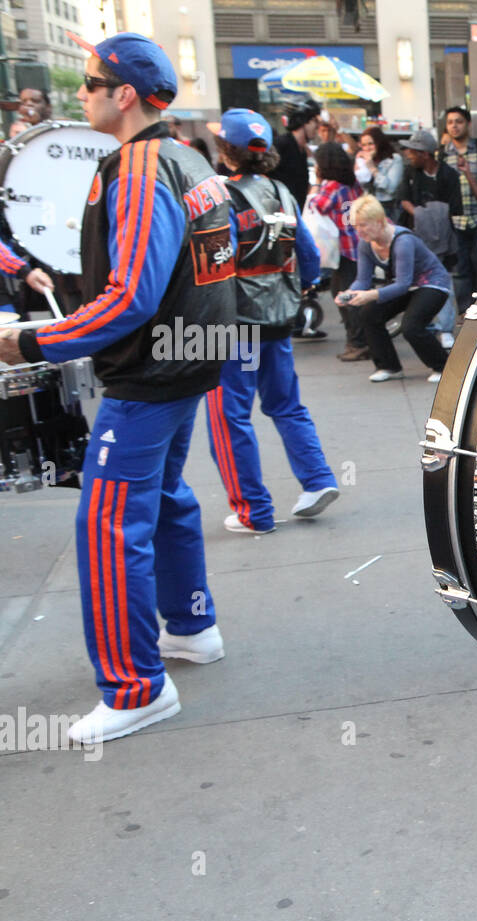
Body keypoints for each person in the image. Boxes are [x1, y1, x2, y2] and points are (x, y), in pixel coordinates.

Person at [0, 31, 237, 742]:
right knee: (164, 496)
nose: (81, 95)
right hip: (193, 357)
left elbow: (130, 296)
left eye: (92, 84)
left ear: (124, 94)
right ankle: (192, 625)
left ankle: (135, 688)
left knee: (106, 523)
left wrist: (31, 338)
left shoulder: (137, 167)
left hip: (152, 371)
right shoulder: (188, 157)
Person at [204, 108, 339, 536]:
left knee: (230, 417)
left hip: (236, 323)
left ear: (226, 150)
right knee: (285, 405)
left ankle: (253, 512)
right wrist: (301, 287)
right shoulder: (281, 190)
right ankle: (318, 481)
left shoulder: (221, 195)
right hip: (279, 317)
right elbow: (310, 255)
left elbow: (215, 262)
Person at [336, 194, 452, 383]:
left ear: (380, 222)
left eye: (364, 225)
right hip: (406, 285)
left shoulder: (402, 241)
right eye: (356, 226)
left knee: (412, 326)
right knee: (369, 314)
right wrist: (349, 293)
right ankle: (389, 367)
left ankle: (443, 366)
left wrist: (371, 294)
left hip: (432, 283)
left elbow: (402, 284)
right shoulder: (366, 244)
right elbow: (363, 280)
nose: (360, 231)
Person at [398, 128, 461, 352]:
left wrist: (434, 218)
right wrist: (421, 215)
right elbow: (403, 199)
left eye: (413, 151)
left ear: (425, 153)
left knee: (442, 280)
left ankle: (445, 328)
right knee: (419, 281)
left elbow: (455, 208)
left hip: (443, 237)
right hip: (416, 234)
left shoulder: (448, 174)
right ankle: (429, 324)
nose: (409, 155)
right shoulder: (410, 173)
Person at [307, 142, 365, 361]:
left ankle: (357, 343)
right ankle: (357, 341)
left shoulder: (330, 185)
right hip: (356, 244)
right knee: (346, 293)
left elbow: (316, 206)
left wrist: (315, 185)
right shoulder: (352, 183)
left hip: (340, 248)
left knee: (344, 296)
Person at [441, 106, 477, 314]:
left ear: (467, 124)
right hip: (455, 220)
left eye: (458, 121)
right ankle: (464, 312)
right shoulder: (442, 153)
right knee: (460, 269)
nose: (454, 126)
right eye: (450, 122)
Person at [273, 97, 320, 209]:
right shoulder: (281, 144)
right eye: (314, 121)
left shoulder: (302, 150)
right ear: (303, 121)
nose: (317, 126)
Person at [355, 124, 404, 220]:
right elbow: (359, 186)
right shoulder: (363, 159)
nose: (367, 148)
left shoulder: (394, 159)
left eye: (371, 144)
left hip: (387, 208)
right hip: (367, 207)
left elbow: (391, 188)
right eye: (364, 145)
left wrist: (372, 168)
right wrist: (359, 166)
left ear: (379, 143)